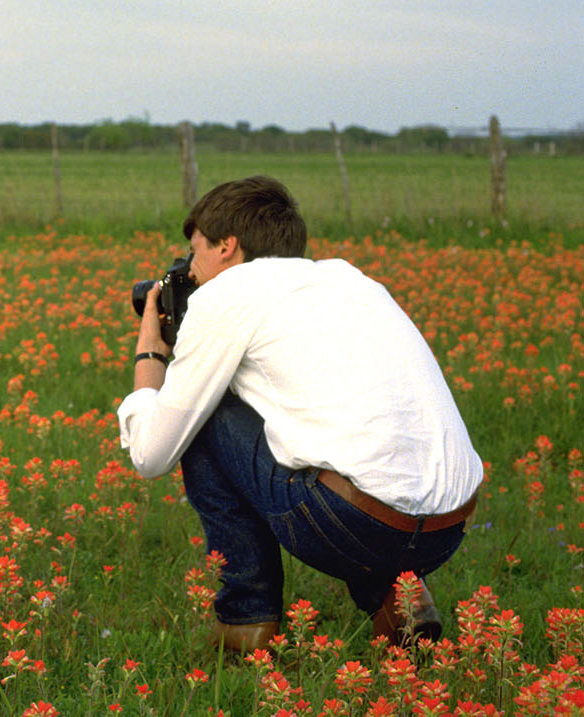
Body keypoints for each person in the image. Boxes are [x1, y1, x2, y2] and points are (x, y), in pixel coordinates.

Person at [117, 176, 482, 651]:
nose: (192, 270)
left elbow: (151, 455)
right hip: (448, 528)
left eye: (195, 252)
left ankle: (244, 622)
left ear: (227, 246)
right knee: (335, 437)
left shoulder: (222, 296)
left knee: (202, 415)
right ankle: (400, 600)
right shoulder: (351, 279)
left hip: (358, 526)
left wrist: (151, 349)